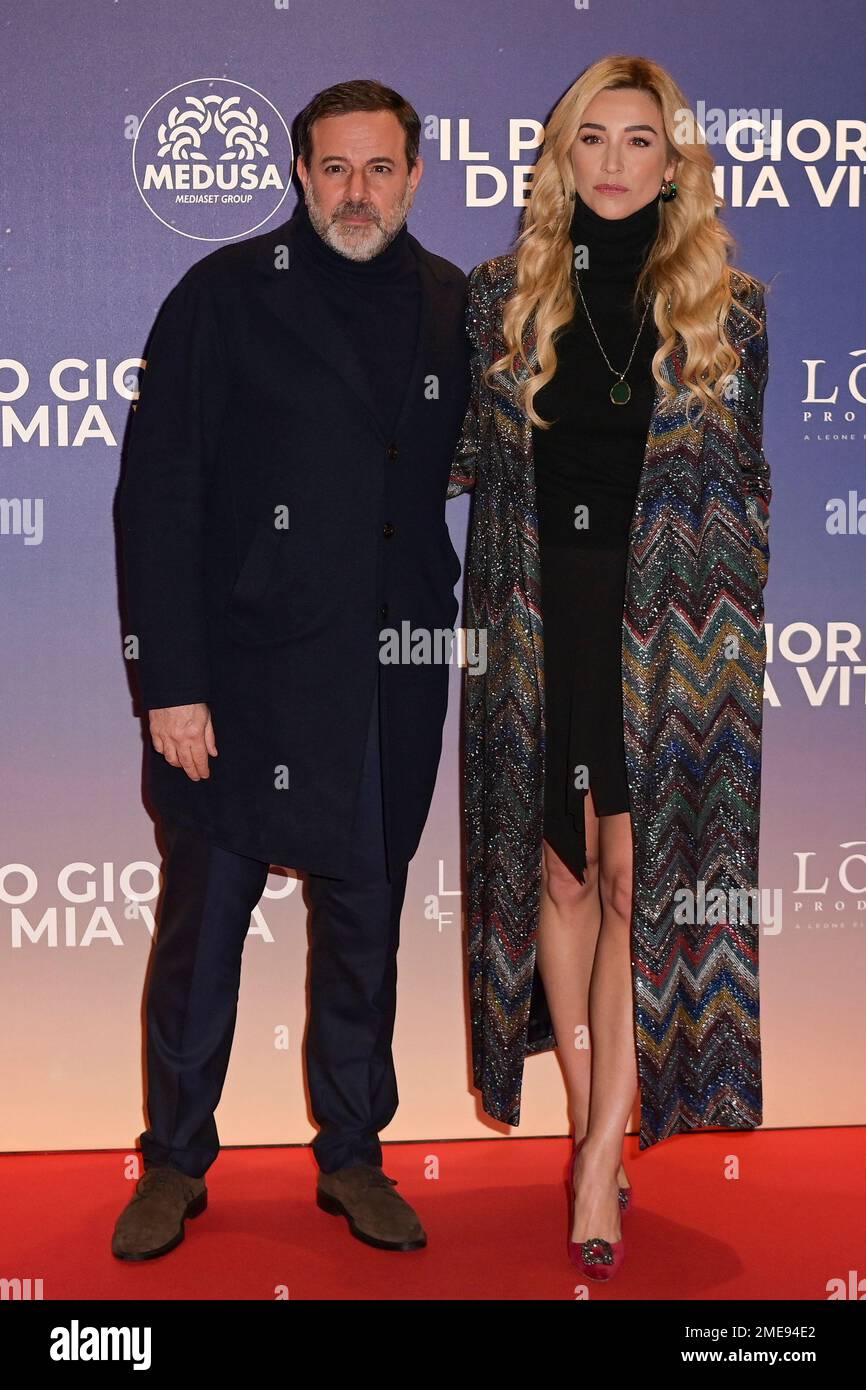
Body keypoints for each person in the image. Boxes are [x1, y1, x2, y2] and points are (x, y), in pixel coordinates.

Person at [113, 79, 470, 1259]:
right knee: (202, 932)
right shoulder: (221, 297)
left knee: (366, 931)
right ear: (299, 174)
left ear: (415, 175)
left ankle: (355, 1156)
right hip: (237, 677)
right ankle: (171, 1160)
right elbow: (158, 498)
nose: (356, 191)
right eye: (333, 168)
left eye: (379, 169)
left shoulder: (452, 306)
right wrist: (170, 680)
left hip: (383, 675)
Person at [448, 54, 771, 1279]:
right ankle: (593, 1128)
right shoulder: (498, 298)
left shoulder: (725, 304)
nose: (617, 163)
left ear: (673, 159)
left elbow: (743, 488)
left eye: (642, 141)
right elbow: (459, 460)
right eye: (595, 139)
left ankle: (594, 1154)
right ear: (560, 156)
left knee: (639, 886)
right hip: (539, 621)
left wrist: (724, 662)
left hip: (674, 637)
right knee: (564, 882)